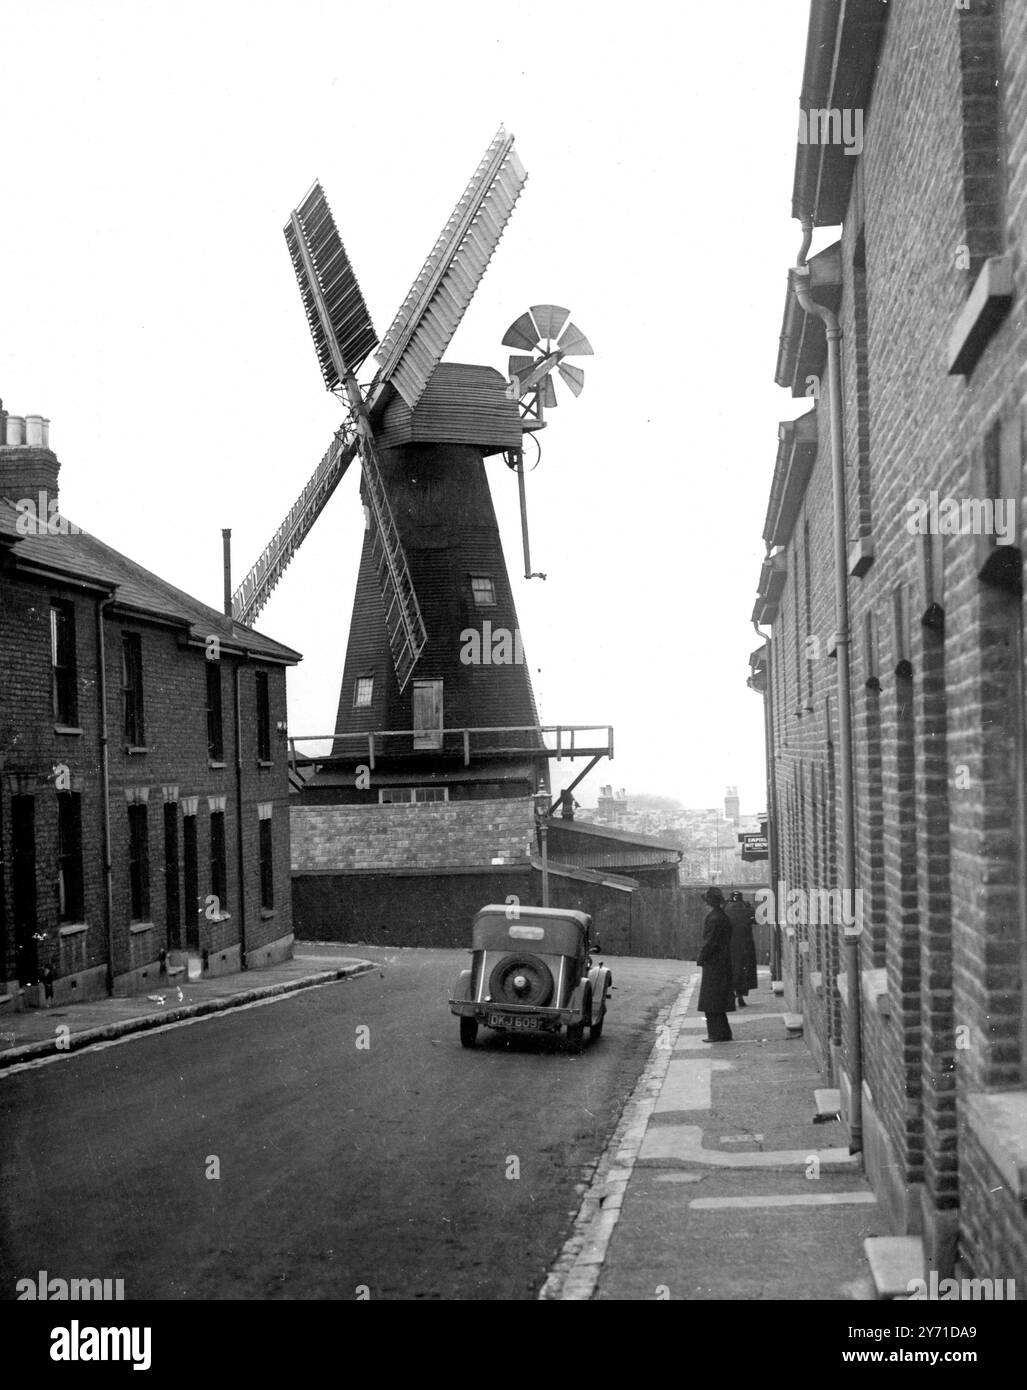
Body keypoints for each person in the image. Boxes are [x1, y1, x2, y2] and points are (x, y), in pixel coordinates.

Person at [697, 886, 734, 1042]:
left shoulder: (715, 918)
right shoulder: (722, 916)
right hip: (722, 961)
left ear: (710, 902)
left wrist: (701, 957)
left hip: (714, 963)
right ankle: (723, 1033)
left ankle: (716, 1034)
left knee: (712, 1001)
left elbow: (710, 942)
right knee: (717, 1000)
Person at [726, 891, 758, 1008]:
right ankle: (740, 995)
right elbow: (757, 920)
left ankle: (731, 993)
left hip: (730, 945)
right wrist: (750, 907)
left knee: (731, 970)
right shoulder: (747, 909)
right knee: (743, 971)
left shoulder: (726, 909)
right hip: (745, 945)